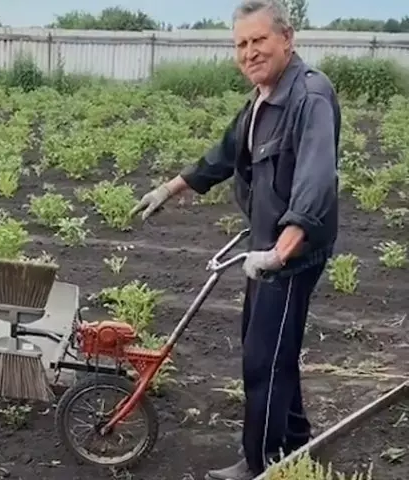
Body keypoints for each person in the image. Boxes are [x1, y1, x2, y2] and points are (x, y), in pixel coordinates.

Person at [130, 1, 341, 479]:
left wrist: (279, 252)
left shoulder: (310, 97)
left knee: (263, 358)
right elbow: (223, 155)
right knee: (271, 346)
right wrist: (170, 188)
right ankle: (295, 442)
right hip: (266, 245)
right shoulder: (263, 101)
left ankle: (260, 463)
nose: (249, 52)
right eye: (241, 44)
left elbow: (315, 179)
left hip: (291, 253)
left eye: (258, 41)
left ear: (287, 39)